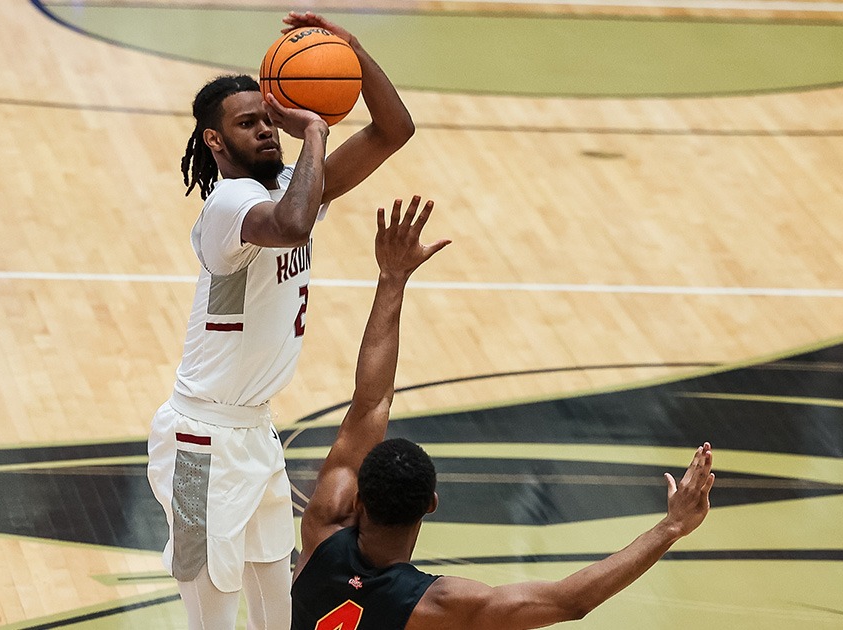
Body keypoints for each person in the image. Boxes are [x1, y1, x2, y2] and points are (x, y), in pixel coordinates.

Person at [292, 201, 716, 629]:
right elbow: (568, 602)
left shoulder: (323, 527)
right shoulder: (436, 605)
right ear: (431, 505)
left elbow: (370, 403)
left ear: (357, 498)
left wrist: (392, 278)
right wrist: (671, 527)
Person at [147, 10, 415, 630]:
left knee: (276, 609)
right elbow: (291, 223)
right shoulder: (230, 205)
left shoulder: (294, 188)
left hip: (253, 435)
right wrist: (315, 131)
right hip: (196, 443)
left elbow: (393, 128)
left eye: (270, 119)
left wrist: (349, 51)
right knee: (210, 617)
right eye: (249, 124)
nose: (268, 131)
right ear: (215, 141)